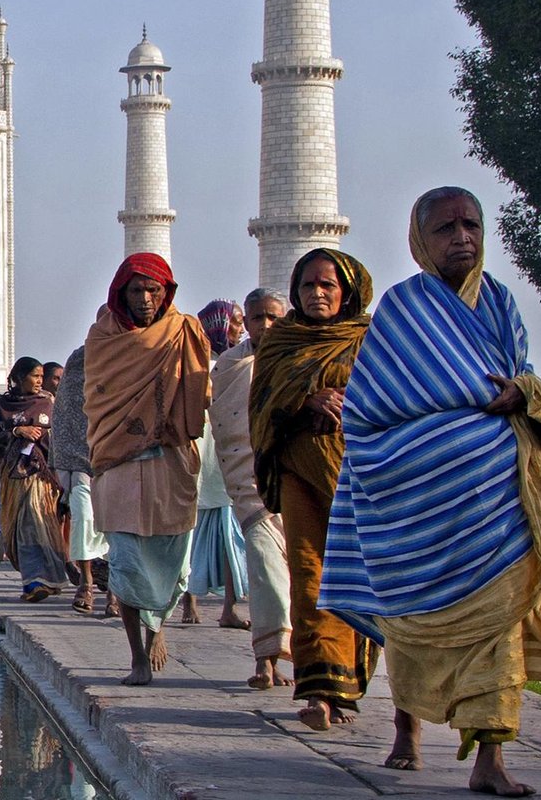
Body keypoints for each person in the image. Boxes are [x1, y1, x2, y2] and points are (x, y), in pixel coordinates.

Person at [323, 188, 541, 794]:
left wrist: (523, 394)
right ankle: (406, 728)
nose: (461, 237)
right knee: (412, 621)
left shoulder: (502, 302)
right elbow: (371, 411)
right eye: (445, 228)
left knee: (497, 628)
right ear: (420, 241)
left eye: (471, 224)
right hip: (415, 505)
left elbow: (520, 374)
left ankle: (491, 759)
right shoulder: (403, 311)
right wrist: (432, 449)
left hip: (494, 508)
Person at [249, 245, 376, 732]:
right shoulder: (284, 342)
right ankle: (320, 691)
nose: (317, 293)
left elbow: (395, 398)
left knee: (357, 580)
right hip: (302, 470)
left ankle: (347, 683)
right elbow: (263, 408)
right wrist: (307, 400)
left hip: (361, 477)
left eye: (327, 285)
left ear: (347, 291)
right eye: (308, 285)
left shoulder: (372, 339)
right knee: (309, 578)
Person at [85, 252, 212, 687]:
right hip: (119, 462)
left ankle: (157, 631)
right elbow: (96, 399)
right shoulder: (103, 338)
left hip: (169, 461)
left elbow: (201, 391)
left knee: (169, 561)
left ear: (166, 292)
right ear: (121, 293)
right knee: (126, 562)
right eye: (135, 290)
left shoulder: (183, 331)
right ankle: (137, 655)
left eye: (152, 290)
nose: (144, 299)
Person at [212, 287, 293, 689]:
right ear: (244, 322)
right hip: (251, 486)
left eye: (274, 317)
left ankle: (305, 664)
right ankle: (265, 658)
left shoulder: (299, 358)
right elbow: (228, 430)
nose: (266, 325)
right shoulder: (230, 364)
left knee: (301, 577)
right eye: (258, 317)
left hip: (296, 481)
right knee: (265, 568)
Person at [182, 300, 249, 629]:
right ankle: (188, 598)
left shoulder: (239, 362)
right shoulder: (199, 364)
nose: (241, 329)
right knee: (191, 528)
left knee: (230, 533)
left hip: (230, 456)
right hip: (202, 451)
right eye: (236, 322)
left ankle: (229, 607)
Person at [0, 358, 64, 602]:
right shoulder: (5, 404)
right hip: (15, 476)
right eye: (34, 376)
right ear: (20, 376)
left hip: (41, 477)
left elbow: (57, 439)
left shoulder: (47, 403)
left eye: (40, 377)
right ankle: (33, 582)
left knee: (39, 524)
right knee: (21, 529)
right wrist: (18, 431)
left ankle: (44, 580)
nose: (38, 381)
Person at [49, 346, 109, 615]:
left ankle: (117, 590)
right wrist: (58, 459)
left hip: (120, 457)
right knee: (83, 519)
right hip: (81, 460)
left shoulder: (132, 355)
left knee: (120, 529)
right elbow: (64, 416)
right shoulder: (81, 358)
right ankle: (86, 582)